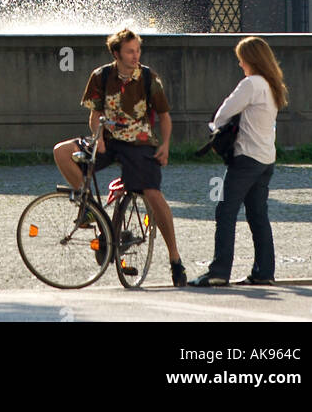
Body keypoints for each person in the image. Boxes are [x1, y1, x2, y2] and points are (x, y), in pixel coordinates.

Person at [54, 27, 188, 287]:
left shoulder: (149, 78)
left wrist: (166, 145)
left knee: (152, 193)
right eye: (130, 51)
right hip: (109, 140)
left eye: (137, 50)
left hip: (140, 143)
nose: (135, 55)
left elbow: (164, 116)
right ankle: (90, 208)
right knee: (62, 151)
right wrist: (99, 136)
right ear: (116, 53)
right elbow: (94, 115)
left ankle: (175, 258)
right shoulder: (101, 76)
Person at [190, 35, 287, 287]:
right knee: (258, 216)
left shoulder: (251, 84)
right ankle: (264, 272)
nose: (240, 64)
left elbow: (224, 112)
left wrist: (216, 129)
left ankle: (219, 272)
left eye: (241, 60)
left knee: (225, 211)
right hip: (266, 159)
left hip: (246, 158)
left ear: (251, 59)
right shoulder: (272, 84)